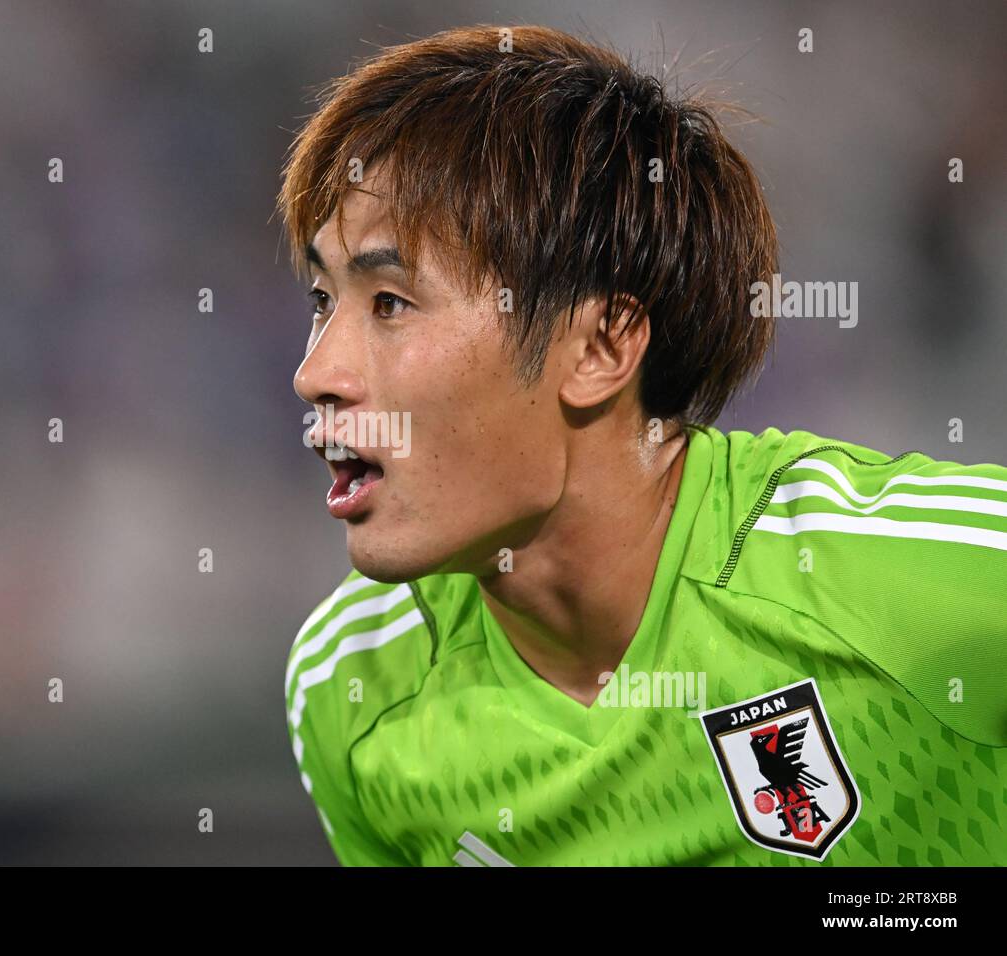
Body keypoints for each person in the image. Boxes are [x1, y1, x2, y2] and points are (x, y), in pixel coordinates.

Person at [277, 24, 1006, 865]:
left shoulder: (897, 578)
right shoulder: (352, 687)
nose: (314, 372)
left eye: (391, 303)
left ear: (600, 349)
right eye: (322, 301)